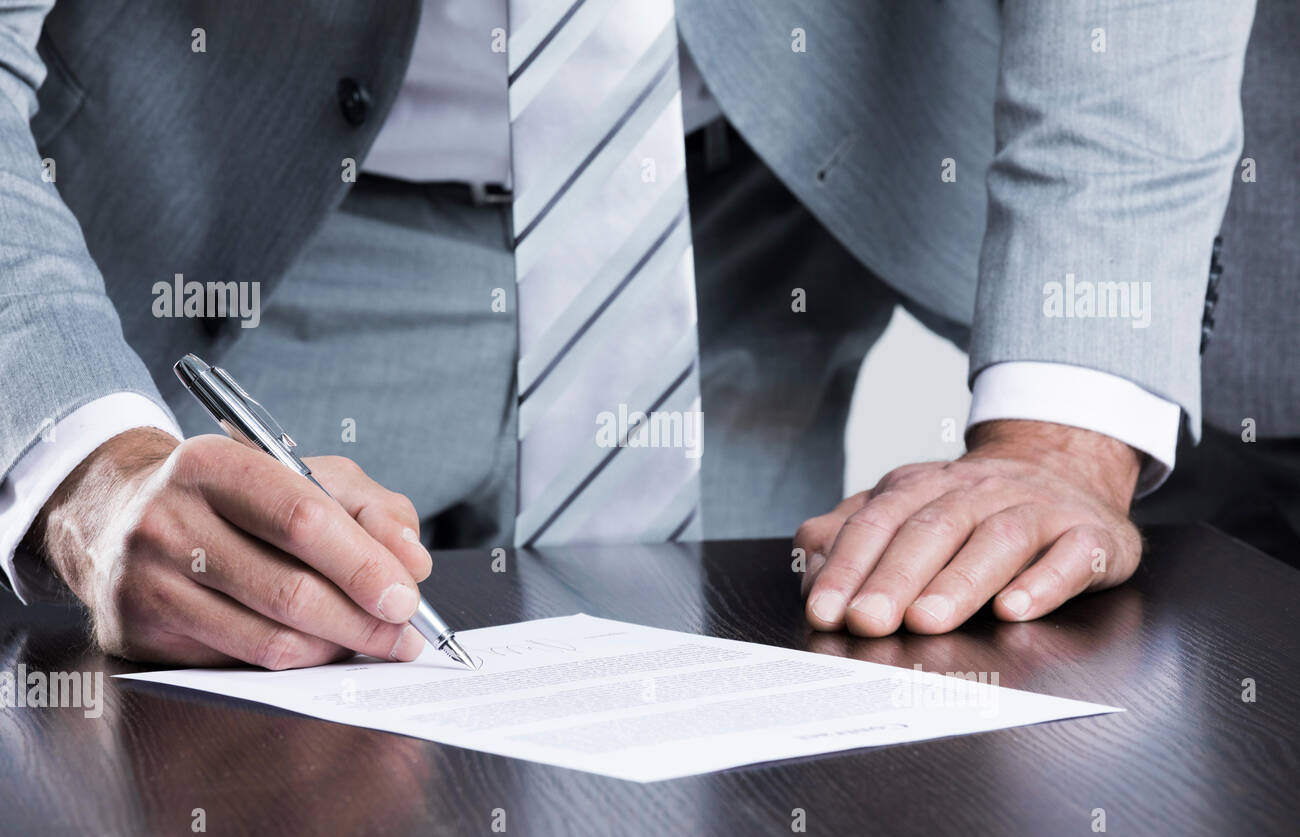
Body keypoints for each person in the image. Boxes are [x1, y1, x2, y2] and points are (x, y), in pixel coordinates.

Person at [0, 0, 1277, 669]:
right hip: (239, 211)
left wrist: (1058, 439)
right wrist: (88, 470)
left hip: (750, 206)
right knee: (213, 677)